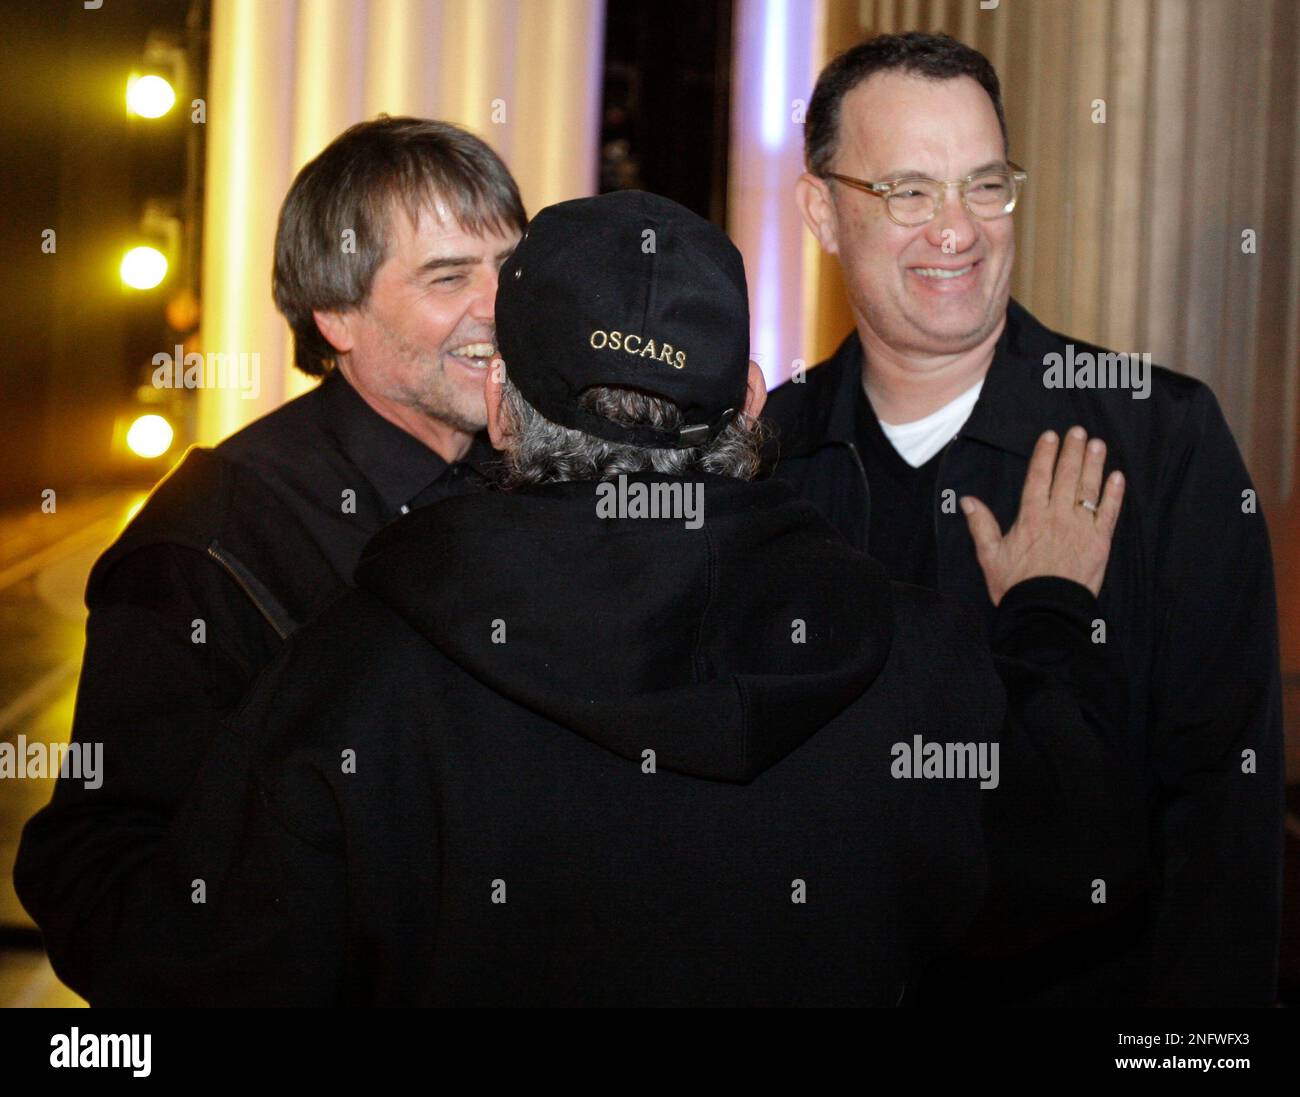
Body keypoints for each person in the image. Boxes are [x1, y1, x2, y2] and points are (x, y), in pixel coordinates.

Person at [106, 190, 1143, 1006]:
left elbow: (202, 965)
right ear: (748, 402)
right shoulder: (906, 653)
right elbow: (1078, 860)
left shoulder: (356, 675)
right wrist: (1048, 611)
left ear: (501, 402)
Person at [766, 31, 1283, 1006]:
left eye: (985, 184)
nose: (956, 229)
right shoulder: (769, 458)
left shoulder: (1158, 439)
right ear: (822, 212)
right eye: (909, 192)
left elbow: (1221, 814)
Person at [15, 116, 524, 1005]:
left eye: (510, 270)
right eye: (449, 277)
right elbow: (97, 876)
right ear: (337, 314)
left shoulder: (543, 486)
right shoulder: (207, 538)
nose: (498, 307)